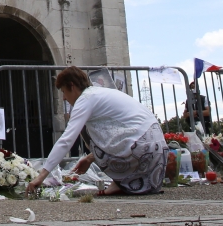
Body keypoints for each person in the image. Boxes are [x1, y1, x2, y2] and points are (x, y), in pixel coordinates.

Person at [25, 66, 166, 196]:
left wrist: (42, 175)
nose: (63, 98)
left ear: (72, 86)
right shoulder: (101, 92)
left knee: (86, 131)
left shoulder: (85, 99)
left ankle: (118, 182)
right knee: (95, 126)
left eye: (63, 92)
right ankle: (122, 182)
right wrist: (89, 158)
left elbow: (66, 140)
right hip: (158, 152)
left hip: (141, 149)